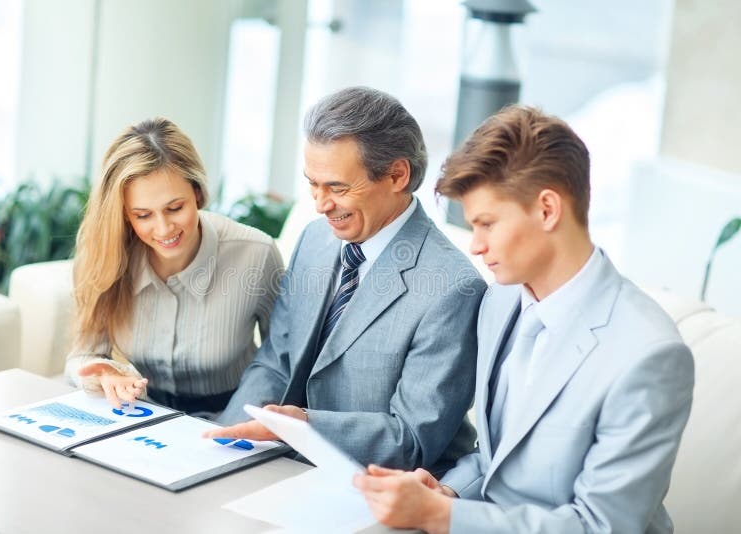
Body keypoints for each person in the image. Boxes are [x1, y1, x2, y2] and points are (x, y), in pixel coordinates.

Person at [353, 105, 695, 533]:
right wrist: (447, 492)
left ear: (547, 209)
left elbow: (601, 526)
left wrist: (441, 516)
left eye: (487, 224)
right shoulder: (500, 300)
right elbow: (496, 458)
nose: (476, 246)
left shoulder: (649, 355)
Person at [207, 86, 487, 473]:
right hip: (286, 465)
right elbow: (276, 364)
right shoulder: (315, 239)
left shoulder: (452, 287)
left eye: (337, 188)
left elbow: (411, 439)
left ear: (397, 175)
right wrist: (223, 441)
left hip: (382, 483)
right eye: (312, 184)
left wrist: (305, 426)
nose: (321, 205)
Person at [64, 117, 283, 415]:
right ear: (125, 214)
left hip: (235, 412)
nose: (164, 228)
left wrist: (232, 425)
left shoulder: (256, 253)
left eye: (175, 208)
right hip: (141, 411)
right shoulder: (104, 256)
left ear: (197, 192)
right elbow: (81, 358)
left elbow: (281, 364)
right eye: (143, 215)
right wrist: (101, 373)